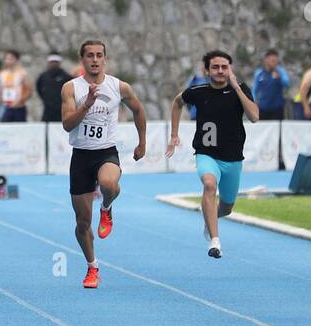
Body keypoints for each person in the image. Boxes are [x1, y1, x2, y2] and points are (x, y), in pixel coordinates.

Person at [61, 40, 147, 289]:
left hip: (106, 152)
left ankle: (107, 208)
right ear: (83, 60)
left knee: (109, 183)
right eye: (90, 56)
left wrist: (142, 143)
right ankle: (92, 267)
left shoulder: (119, 86)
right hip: (81, 157)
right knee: (82, 223)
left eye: (99, 55)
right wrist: (86, 104)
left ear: (105, 59)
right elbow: (67, 124)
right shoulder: (71, 88)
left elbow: (139, 110)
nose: (95, 60)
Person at [167, 50, 258, 260]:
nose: (220, 71)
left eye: (224, 67)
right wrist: (174, 134)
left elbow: (254, 116)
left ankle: (211, 219)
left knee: (226, 208)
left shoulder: (241, 89)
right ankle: (215, 241)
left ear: (231, 69)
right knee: (209, 184)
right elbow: (177, 102)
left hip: (233, 159)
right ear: (206, 70)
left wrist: (236, 86)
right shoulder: (198, 91)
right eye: (215, 67)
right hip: (206, 154)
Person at [252, 49, 289, 121]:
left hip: (277, 109)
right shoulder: (259, 73)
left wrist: (280, 77)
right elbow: (254, 90)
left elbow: (287, 84)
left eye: (276, 61)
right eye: (273, 61)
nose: (275, 63)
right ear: (266, 60)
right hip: (263, 108)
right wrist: (253, 104)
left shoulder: (280, 71)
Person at [36, 52, 72, 123]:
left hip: (61, 108)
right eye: (51, 62)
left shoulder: (66, 76)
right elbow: (38, 88)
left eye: (56, 62)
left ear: (59, 63)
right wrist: (45, 99)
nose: (53, 64)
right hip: (47, 109)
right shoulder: (43, 76)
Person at [0, 50, 31, 122]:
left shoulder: (22, 73)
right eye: (6, 59)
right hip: (7, 107)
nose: (8, 61)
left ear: (16, 60)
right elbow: (0, 91)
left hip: (19, 108)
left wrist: (21, 101)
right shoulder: (3, 74)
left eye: (11, 59)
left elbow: (29, 90)